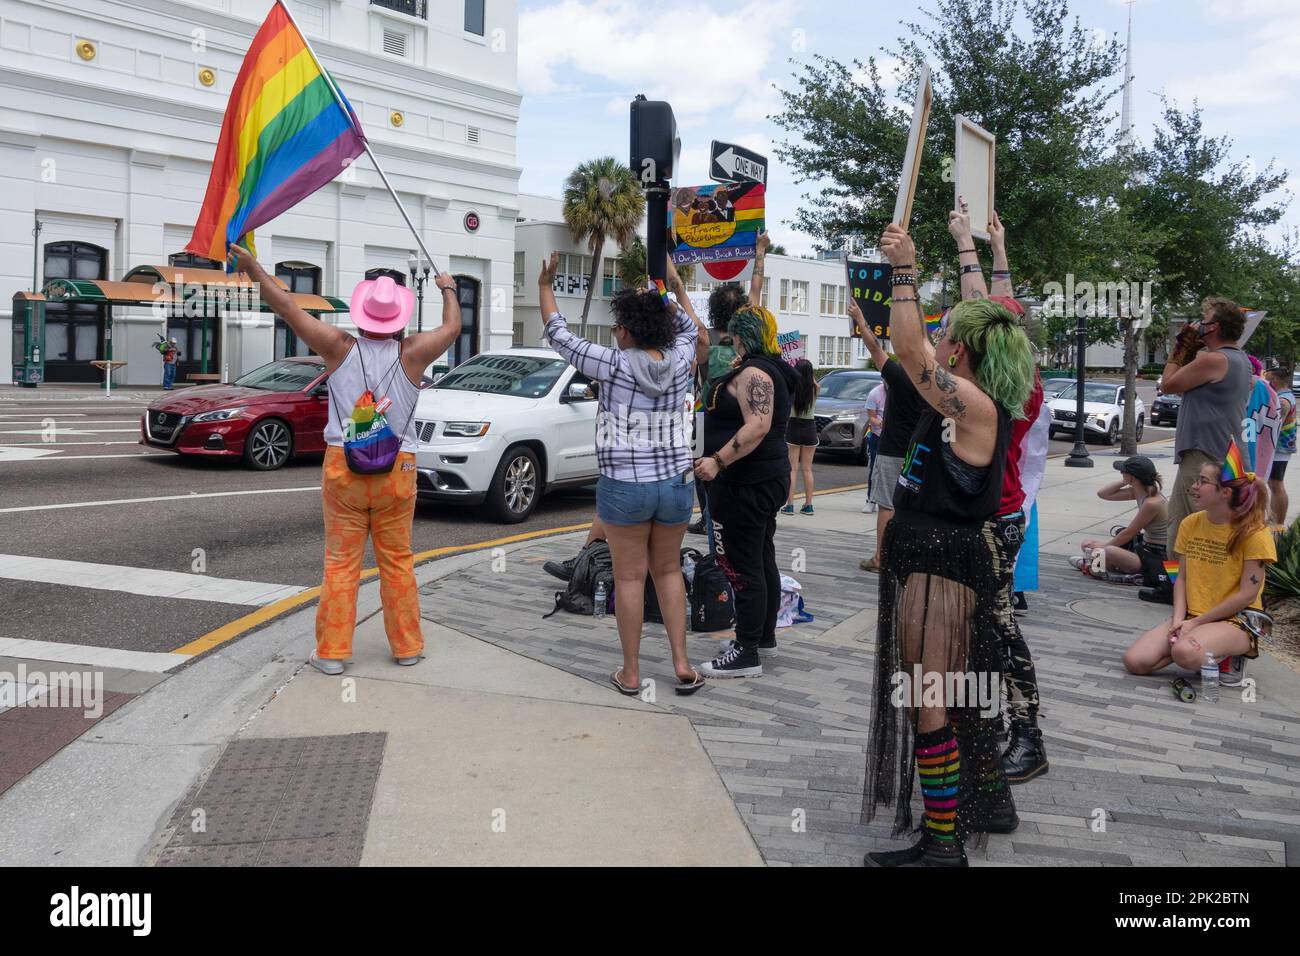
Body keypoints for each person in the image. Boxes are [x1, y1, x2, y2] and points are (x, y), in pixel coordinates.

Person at [861, 220, 1035, 868]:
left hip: (944, 573)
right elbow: (931, 342)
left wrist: (904, 270)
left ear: (960, 351)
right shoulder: (965, 403)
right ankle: (951, 824)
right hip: (928, 568)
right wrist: (970, 246)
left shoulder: (977, 407)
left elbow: (910, 354)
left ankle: (943, 846)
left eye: (948, 333)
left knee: (931, 703)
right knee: (932, 701)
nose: (939, 334)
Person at [230, 244, 459, 674]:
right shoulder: (414, 353)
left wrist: (255, 268)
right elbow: (452, 327)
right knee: (397, 561)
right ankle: (407, 647)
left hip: (344, 465)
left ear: (361, 315)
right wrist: (447, 289)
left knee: (341, 563)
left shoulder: (335, 346)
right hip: (400, 468)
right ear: (399, 319)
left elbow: (286, 306)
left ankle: (334, 654)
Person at [540, 252, 709, 696]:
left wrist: (545, 285)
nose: (615, 333)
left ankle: (631, 673)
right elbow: (691, 327)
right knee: (669, 572)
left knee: (631, 577)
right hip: (676, 482)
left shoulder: (611, 364)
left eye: (618, 327)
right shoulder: (680, 357)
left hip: (624, 486)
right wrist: (668, 292)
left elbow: (559, 335)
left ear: (627, 330)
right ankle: (682, 664)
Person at [694, 305, 799, 676]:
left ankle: (746, 651)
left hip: (745, 482)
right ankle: (761, 637)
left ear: (741, 335)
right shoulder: (769, 368)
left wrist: (717, 461)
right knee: (761, 557)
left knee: (741, 565)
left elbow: (756, 426)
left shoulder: (755, 373)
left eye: (733, 335)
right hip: (762, 480)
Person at [1122, 441, 1275, 690]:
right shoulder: (1190, 523)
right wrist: (1179, 621)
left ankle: (1233, 654)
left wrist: (1194, 624)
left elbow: (1248, 594)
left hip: (1235, 620)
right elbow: (1181, 578)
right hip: (1192, 616)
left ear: (1224, 492)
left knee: (1185, 653)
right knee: (1135, 662)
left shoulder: (1254, 532)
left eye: (1203, 481)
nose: (1194, 486)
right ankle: (1200, 649)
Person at [1148, 298, 1253, 604]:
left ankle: (1184, 592)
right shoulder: (1240, 359)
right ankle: (1186, 589)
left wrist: (1181, 348)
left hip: (1205, 456)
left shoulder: (1216, 360)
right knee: (1194, 526)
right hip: (1221, 454)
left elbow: (1166, 384)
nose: (1199, 325)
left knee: (1185, 528)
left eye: (1204, 320)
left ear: (1215, 327)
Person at [687, 231, 769, 540]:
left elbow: (680, 293)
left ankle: (710, 522)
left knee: (704, 476)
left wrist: (668, 255)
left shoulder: (703, 338)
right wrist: (760, 251)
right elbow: (757, 288)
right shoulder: (746, 340)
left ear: (713, 309)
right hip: (741, 420)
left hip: (706, 420)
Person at [849, 298, 927, 574]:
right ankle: (913, 555)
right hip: (920, 450)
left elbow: (874, 348)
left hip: (893, 448)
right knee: (916, 506)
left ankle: (881, 557)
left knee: (886, 504)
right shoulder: (932, 379)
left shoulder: (899, 376)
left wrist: (859, 318)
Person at [1070, 456, 1168, 580]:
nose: (1121, 473)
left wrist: (1102, 548)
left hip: (1156, 556)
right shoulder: (1139, 491)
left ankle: (1092, 566)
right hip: (1142, 548)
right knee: (1088, 544)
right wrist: (1126, 480)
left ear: (1132, 477)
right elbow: (1103, 494)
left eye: (1123, 472)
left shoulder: (1152, 502)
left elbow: (1129, 533)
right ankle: (1095, 565)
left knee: (1109, 551)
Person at [782, 358, 819, 515]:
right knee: (807, 469)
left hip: (794, 427)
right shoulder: (815, 388)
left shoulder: (792, 388)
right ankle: (808, 504)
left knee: (792, 469)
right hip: (810, 427)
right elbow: (812, 380)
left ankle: (789, 505)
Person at [1264, 362, 1294, 526]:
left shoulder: (1283, 398)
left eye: (1267, 380)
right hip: (1278, 447)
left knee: (1275, 484)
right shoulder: (1284, 395)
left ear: (1274, 380)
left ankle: (1278, 524)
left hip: (1279, 448)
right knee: (1273, 484)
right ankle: (1274, 521)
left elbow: (1283, 408)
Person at [863, 381, 885, 514]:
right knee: (875, 468)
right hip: (877, 435)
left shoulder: (900, 390)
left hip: (896, 437)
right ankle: (871, 500)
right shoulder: (875, 393)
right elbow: (871, 418)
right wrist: (883, 423)